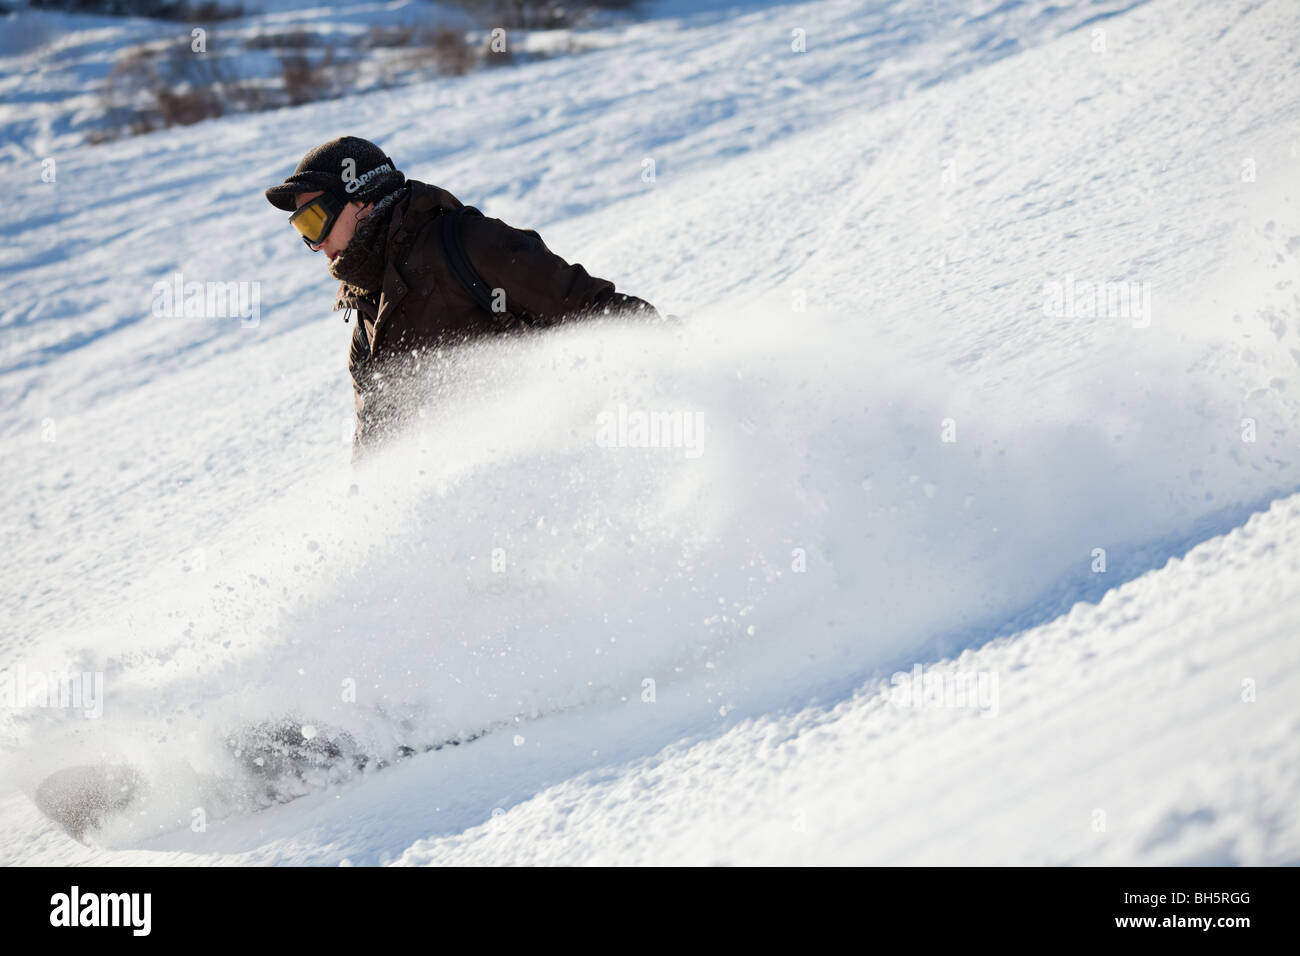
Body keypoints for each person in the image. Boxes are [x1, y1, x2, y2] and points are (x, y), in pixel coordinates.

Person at [264, 136, 658, 462]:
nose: (313, 244)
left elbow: (590, 308)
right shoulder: (366, 320)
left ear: (363, 199)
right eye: (301, 229)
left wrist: (677, 362)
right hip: (482, 514)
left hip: (567, 459)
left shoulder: (465, 244)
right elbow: (378, 452)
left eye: (313, 221)